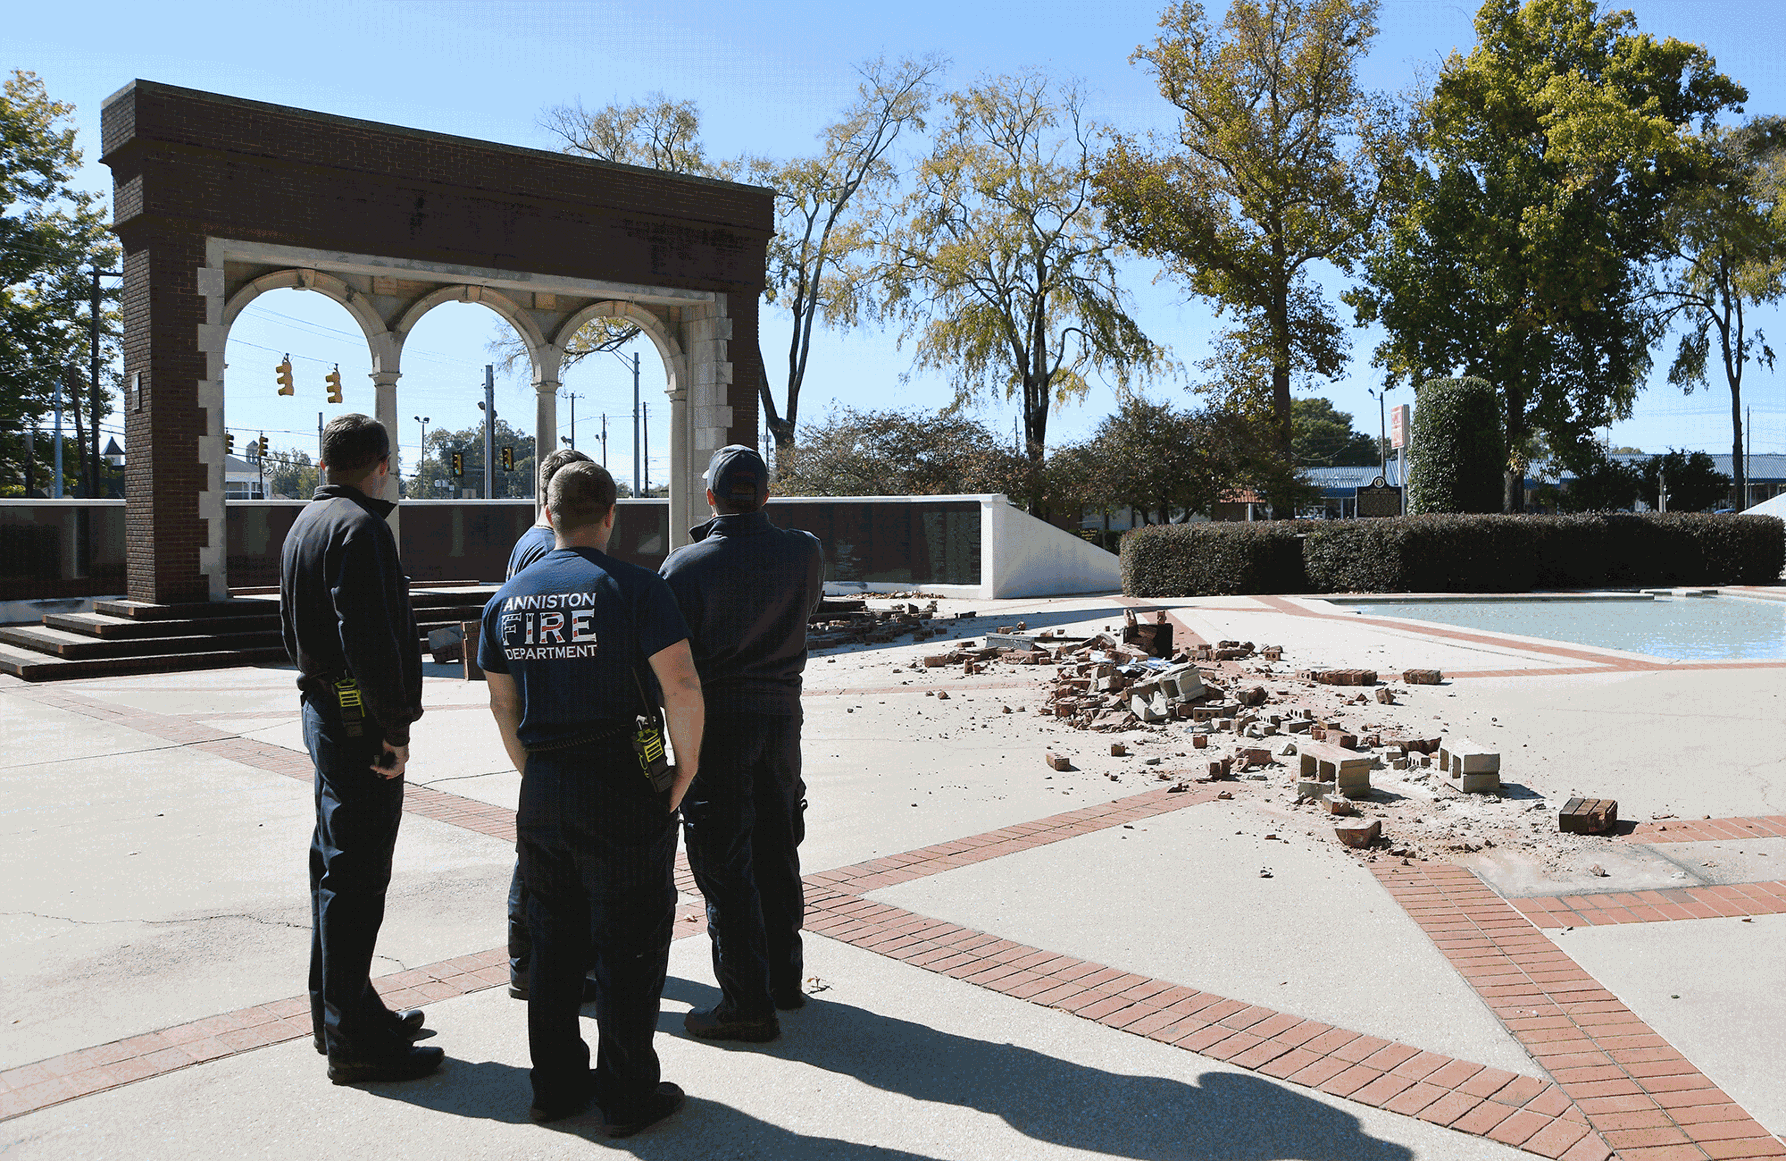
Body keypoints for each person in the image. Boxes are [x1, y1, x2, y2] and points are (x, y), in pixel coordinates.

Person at [479, 461, 702, 1134]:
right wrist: (684, 769)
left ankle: (554, 1086)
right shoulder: (636, 588)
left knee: (552, 944)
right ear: (611, 514)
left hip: (545, 784)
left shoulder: (506, 599)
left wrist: (533, 770)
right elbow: (682, 686)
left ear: (546, 515)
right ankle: (628, 1093)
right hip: (621, 782)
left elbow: (500, 701)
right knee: (629, 942)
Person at [279, 414, 442, 1083]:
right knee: (355, 876)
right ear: (380, 461)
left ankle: (342, 1013)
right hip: (357, 722)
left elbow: (296, 626)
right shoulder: (361, 527)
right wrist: (395, 729)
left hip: (324, 710)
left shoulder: (306, 524)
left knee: (335, 867)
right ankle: (354, 1040)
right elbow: (368, 636)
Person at [660, 445, 823, 1042]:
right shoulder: (803, 551)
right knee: (778, 848)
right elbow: (808, 609)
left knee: (724, 863)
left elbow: (670, 661)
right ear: (767, 495)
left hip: (719, 724)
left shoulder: (684, 567)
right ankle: (784, 980)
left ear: (710, 497)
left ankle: (745, 1002)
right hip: (782, 722)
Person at [501, 446, 598, 1002]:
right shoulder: (546, 552)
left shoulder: (526, 546)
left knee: (542, 850)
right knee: (543, 859)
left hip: (538, 720)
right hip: (552, 722)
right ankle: (531, 960)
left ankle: (539, 957)